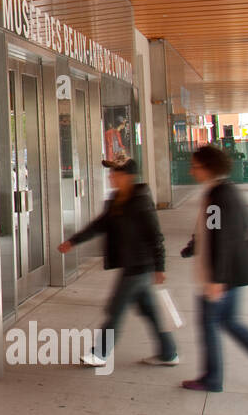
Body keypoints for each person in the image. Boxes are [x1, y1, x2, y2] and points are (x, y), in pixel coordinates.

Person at [181, 145, 248, 395]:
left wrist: (216, 279)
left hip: (220, 277)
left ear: (208, 167)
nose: (191, 171)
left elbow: (222, 238)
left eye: (195, 166)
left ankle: (213, 378)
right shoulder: (219, 191)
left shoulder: (218, 195)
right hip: (226, 276)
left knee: (211, 324)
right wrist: (193, 247)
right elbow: (210, 230)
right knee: (229, 323)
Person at [58, 157, 177, 367]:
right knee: (149, 311)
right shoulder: (117, 200)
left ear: (129, 176)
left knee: (116, 310)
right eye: (111, 172)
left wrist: (160, 266)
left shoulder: (140, 200)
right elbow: (99, 225)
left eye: (116, 173)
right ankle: (168, 353)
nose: (111, 176)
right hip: (131, 264)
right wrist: (73, 241)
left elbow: (155, 236)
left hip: (139, 266)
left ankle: (100, 353)